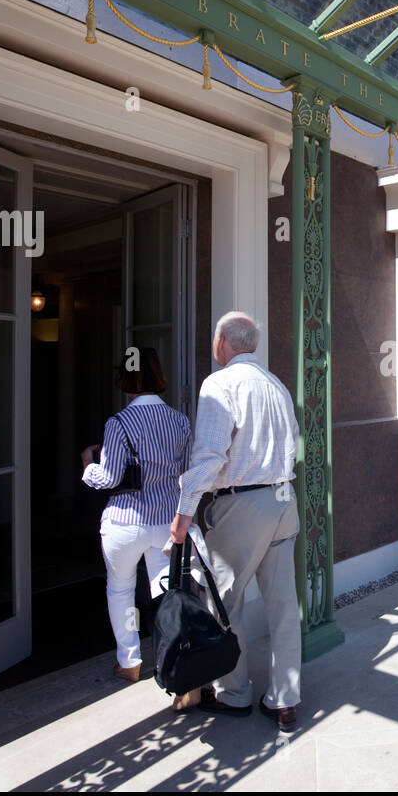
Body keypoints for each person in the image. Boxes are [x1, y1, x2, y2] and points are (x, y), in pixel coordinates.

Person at [169, 312, 302, 732]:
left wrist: (183, 510)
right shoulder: (276, 385)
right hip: (284, 500)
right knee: (283, 604)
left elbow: (209, 455)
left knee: (224, 601)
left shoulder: (219, 383)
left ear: (221, 341)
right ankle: (285, 700)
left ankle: (234, 692)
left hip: (244, 504)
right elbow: (295, 440)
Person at [81, 347, 191, 684]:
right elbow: (186, 472)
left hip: (126, 521)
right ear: (158, 375)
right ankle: (172, 660)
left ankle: (129, 661)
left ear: (126, 380)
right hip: (166, 520)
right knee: (166, 595)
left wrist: (88, 464)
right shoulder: (180, 420)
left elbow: (110, 478)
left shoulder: (119, 422)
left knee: (120, 589)